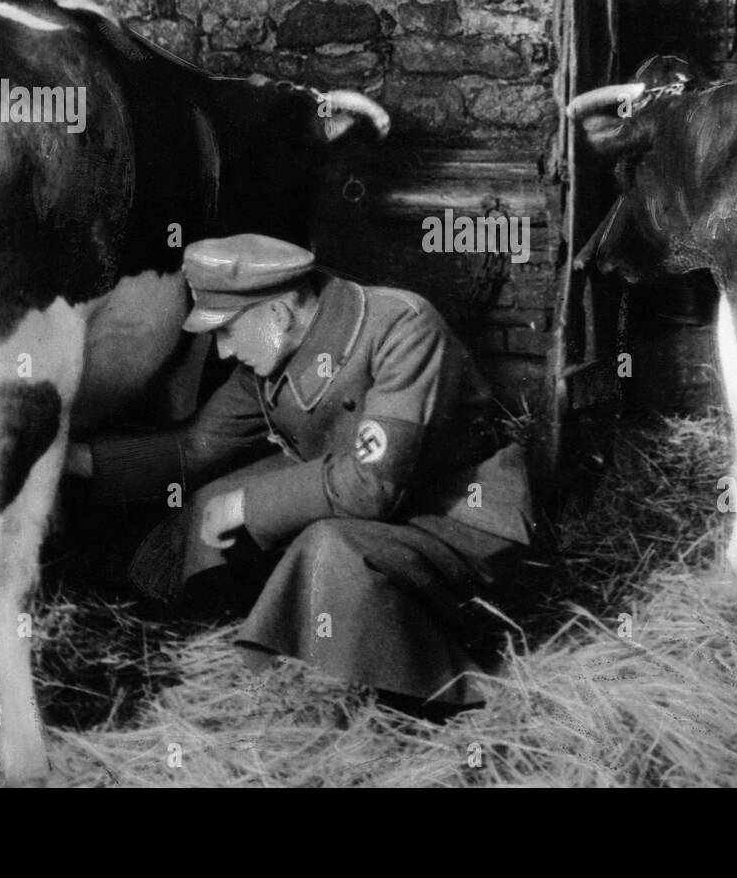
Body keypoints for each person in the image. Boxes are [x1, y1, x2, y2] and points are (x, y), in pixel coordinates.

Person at [66, 233, 534, 712]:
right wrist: (76, 458)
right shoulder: (273, 356)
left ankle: (428, 695)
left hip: (458, 519)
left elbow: (374, 487)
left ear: (277, 315)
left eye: (225, 331)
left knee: (329, 547)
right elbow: (198, 446)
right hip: (371, 504)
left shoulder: (403, 329)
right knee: (212, 503)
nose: (222, 352)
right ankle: (224, 650)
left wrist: (249, 506)